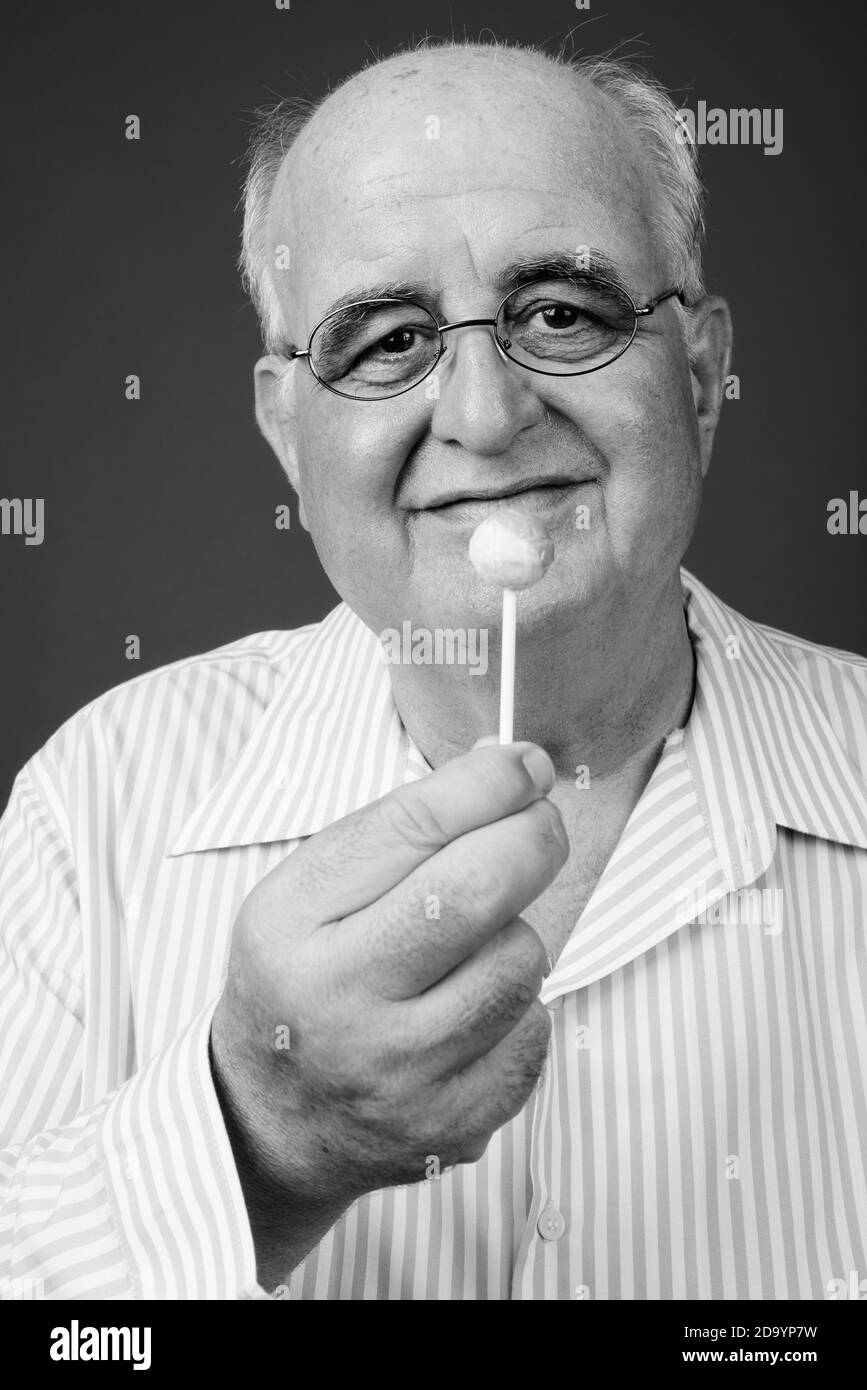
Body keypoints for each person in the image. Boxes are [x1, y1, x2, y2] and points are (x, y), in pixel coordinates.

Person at [1, 39, 865, 1302]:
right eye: (388, 340)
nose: (485, 415)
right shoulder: (95, 809)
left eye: (561, 313)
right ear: (287, 431)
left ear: (697, 370)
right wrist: (255, 1142)